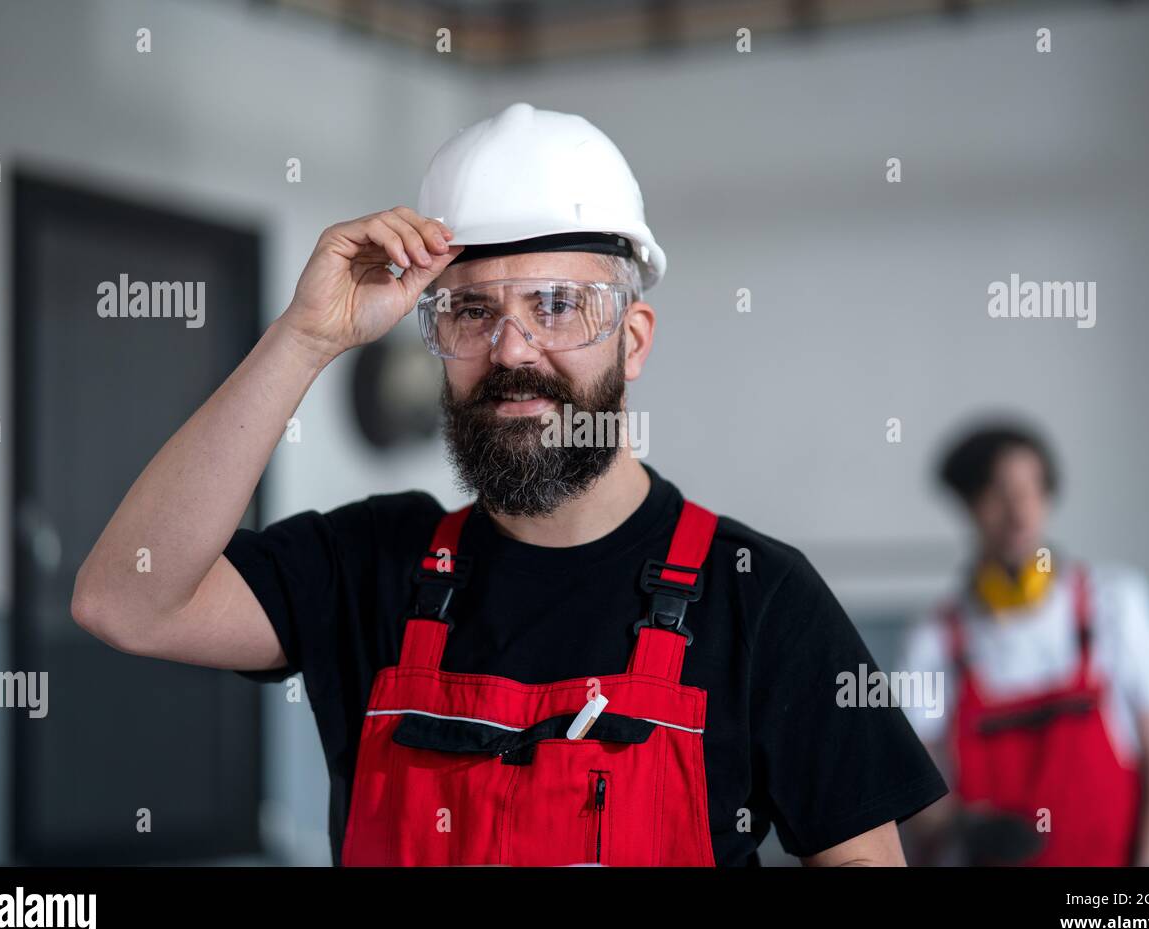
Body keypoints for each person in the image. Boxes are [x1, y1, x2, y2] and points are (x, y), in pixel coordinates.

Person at [72, 102, 946, 867]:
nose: (513, 349)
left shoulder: (759, 598)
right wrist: (304, 336)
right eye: (472, 311)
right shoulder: (373, 566)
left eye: (559, 305)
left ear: (633, 338)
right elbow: (127, 600)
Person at [899, 422, 1149, 866]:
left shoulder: (1114, 603)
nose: (1019, 512)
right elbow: (912, 791)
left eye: (1032, 490)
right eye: (999, 494)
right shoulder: (936, 637)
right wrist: (961, 824)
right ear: (970, 506)